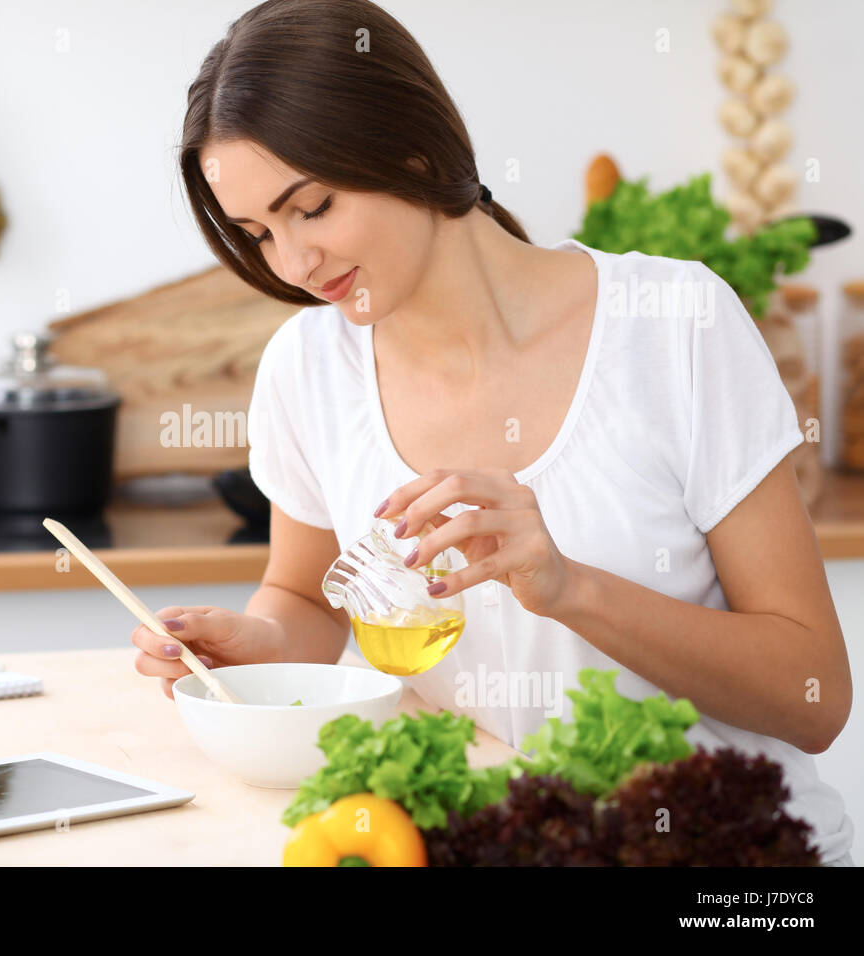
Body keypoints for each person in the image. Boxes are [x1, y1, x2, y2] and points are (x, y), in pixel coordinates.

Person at [133, 0, 854, 865]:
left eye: (314, 208)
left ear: (414, 148)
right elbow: (303, 599)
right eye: (259, 233)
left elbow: (813, 698)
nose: (292, 265)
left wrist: (568, 586)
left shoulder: (673, 323)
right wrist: (263, 651)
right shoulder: (306, 369)